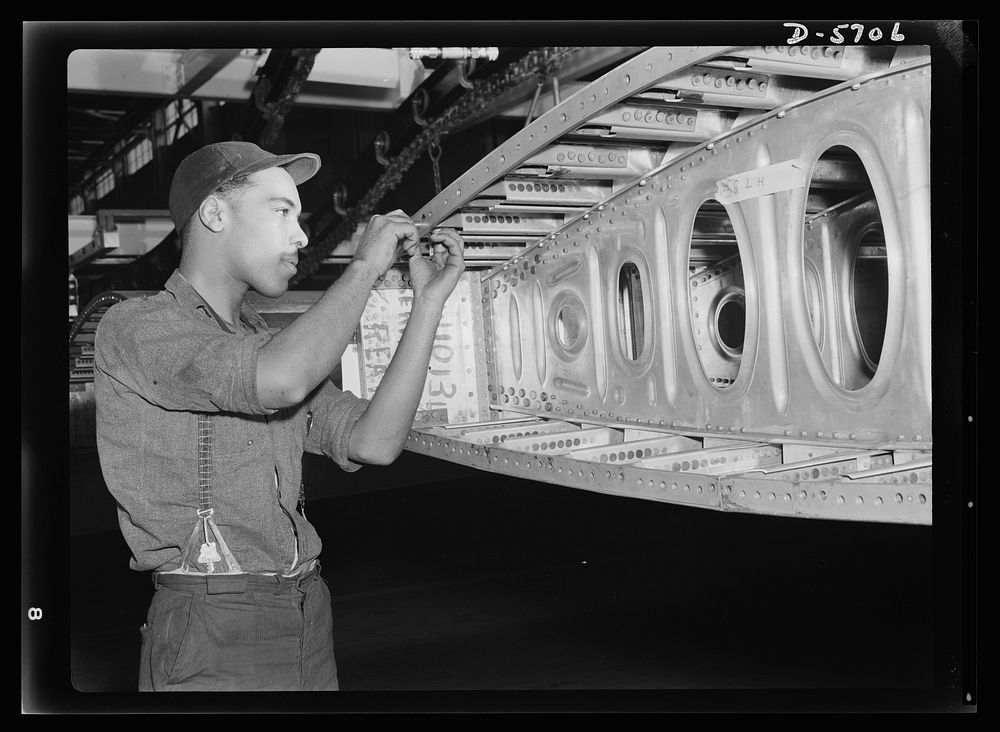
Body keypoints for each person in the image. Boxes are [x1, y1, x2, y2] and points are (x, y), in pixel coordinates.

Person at [93, 140, 465, 691]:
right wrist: (365, 265)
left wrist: (428, 303)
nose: (303, 236)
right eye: (281, 211)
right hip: (212, 629)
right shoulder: (138, 328)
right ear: (214, 214)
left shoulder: (262, 342)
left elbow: (374, 441)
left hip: (306, 611)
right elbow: (278, 380)